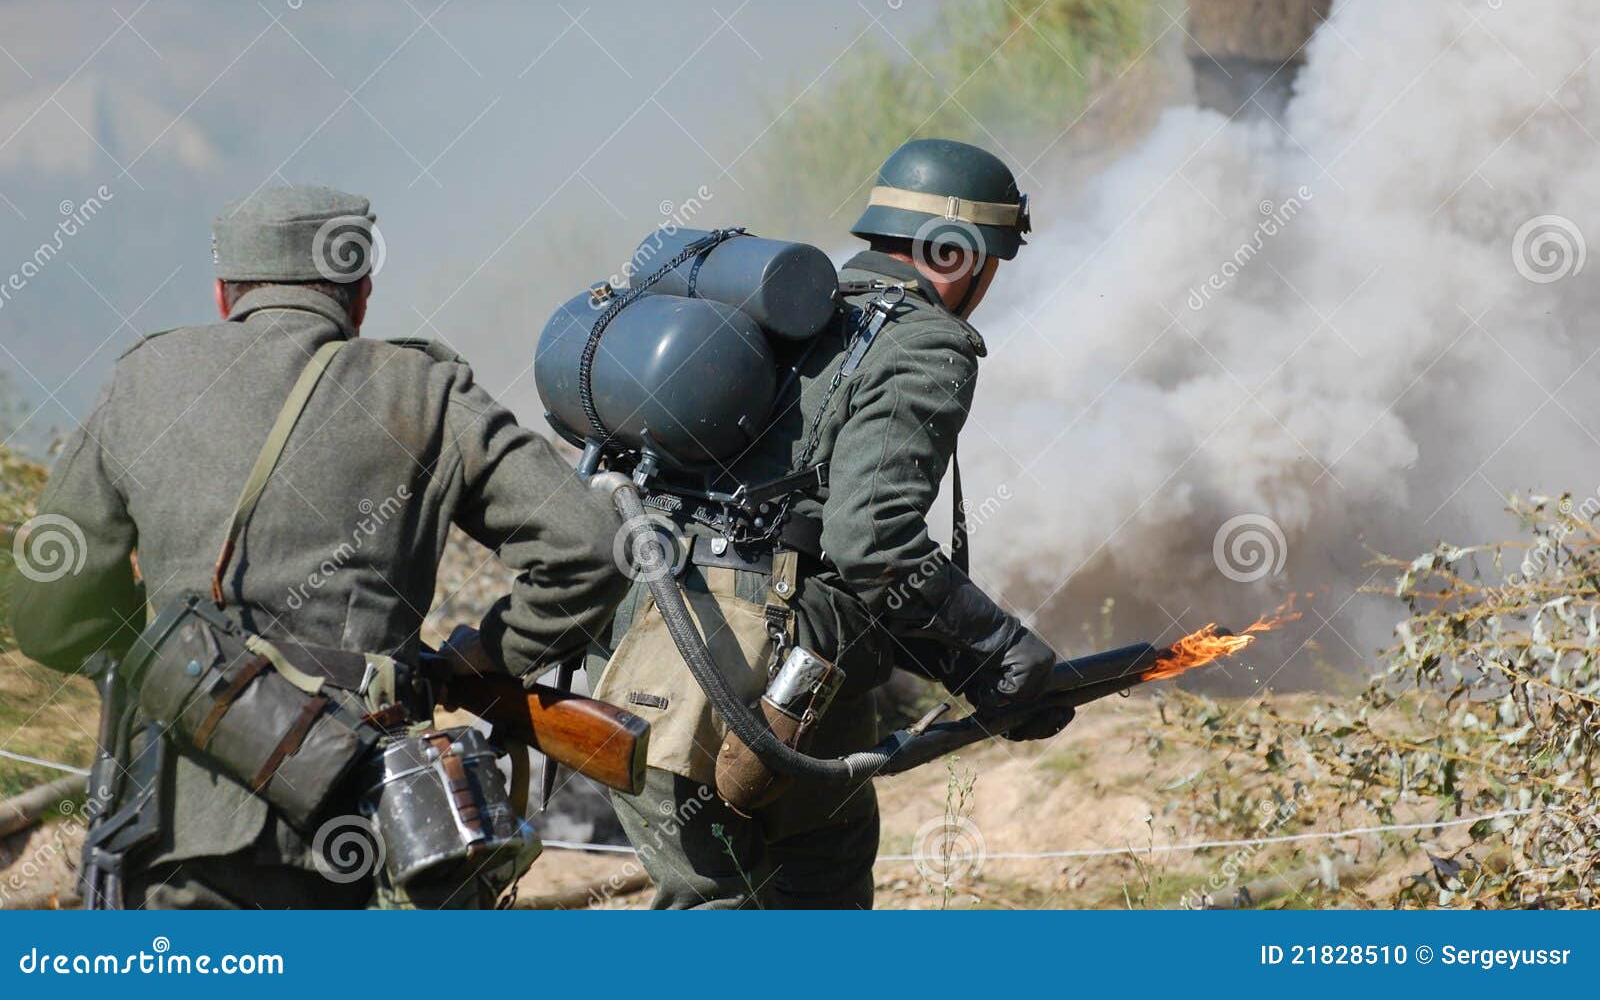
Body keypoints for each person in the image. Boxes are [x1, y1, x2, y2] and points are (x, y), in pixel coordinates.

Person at [7, 184, 625, 909]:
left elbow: (49, 615)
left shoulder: (144, 379)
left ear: (223, 293)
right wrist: (486, 654)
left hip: (171, 819)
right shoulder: (422, 392)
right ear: (360, 297)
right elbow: (591, 546)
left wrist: (169, 664)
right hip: (354, 818)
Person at [587, 138, 1068, 908]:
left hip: (644, 645)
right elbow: (871, 544)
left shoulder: (791, 318)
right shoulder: (922, 341)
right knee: (814, 895)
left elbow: (822, 546)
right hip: (775, 665)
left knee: (711, 904)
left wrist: (977, 671)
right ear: (960, 255)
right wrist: (1000, 649)